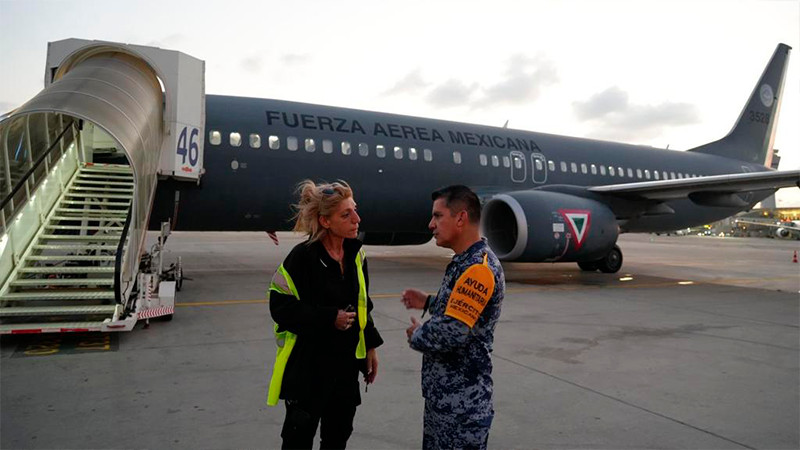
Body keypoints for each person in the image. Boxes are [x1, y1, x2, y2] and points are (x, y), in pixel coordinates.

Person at [267, 180, 383, 449]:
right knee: (298, 441)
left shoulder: (357, 255)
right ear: (326, 222)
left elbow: (363, 304)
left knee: (337, 439)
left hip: (344, 372)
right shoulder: (302, 258)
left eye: (354, 210)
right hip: (308, 371)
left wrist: (371, 347)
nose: (357, 218)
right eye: (346, 214)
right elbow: (280, 307)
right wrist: (329, 317)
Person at [402, 185, 505, 450]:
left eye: (438, 216)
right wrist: (428, 302)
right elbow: (462, 310)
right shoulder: (464, 262)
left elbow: (453, 331)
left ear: (460, 218)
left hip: (462, 408)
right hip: (447, 402)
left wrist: (417, 335)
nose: (431, 224)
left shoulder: (478, 269)